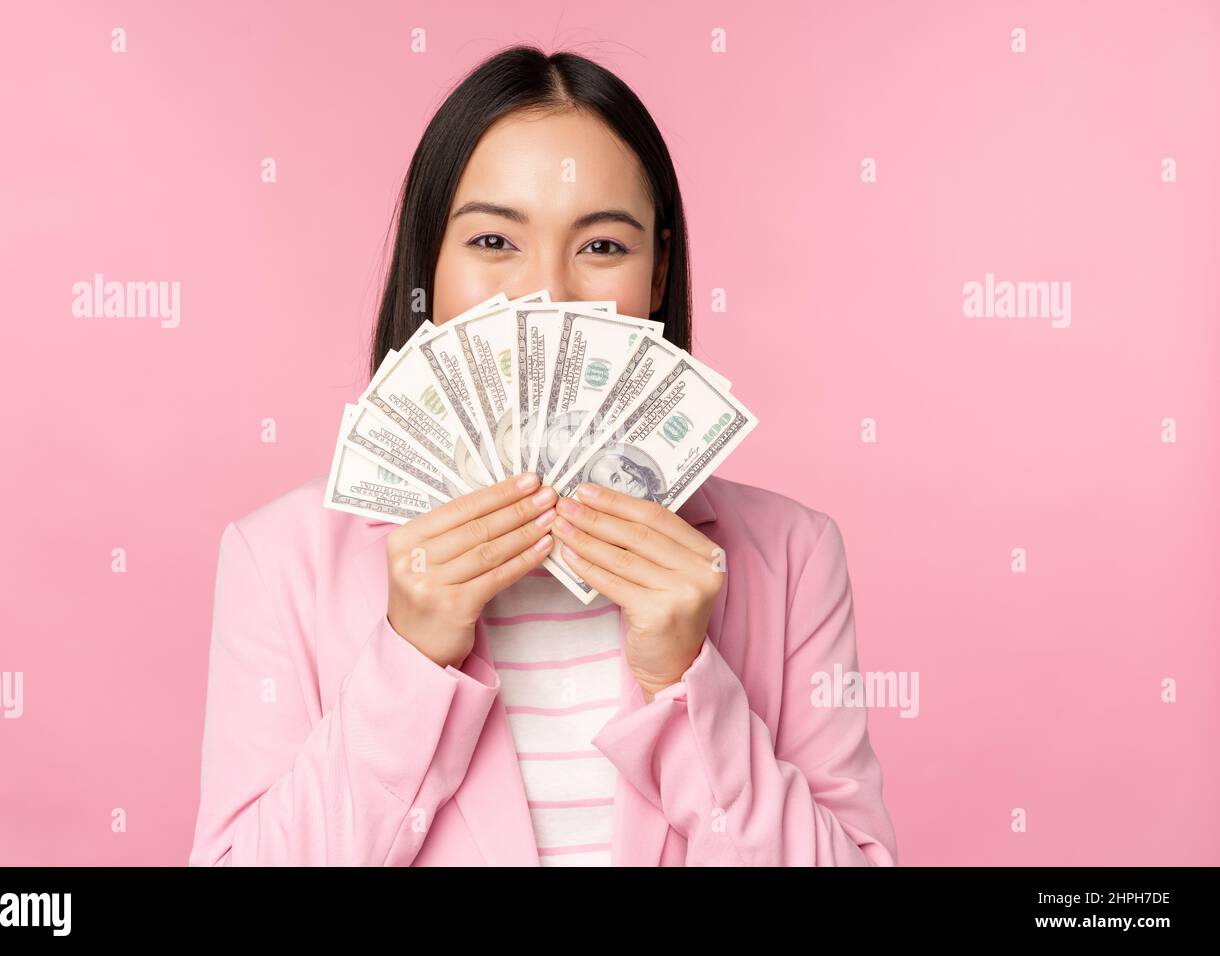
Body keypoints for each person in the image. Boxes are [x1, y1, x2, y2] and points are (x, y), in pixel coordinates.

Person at [188, 45, 897, 867]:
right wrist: (408, 665)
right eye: (493, 240)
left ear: (659, 270)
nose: (546, 297)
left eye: (601, 248)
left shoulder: (792, 557)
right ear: (429, 266)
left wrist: (687, 683)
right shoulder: (278, 562)